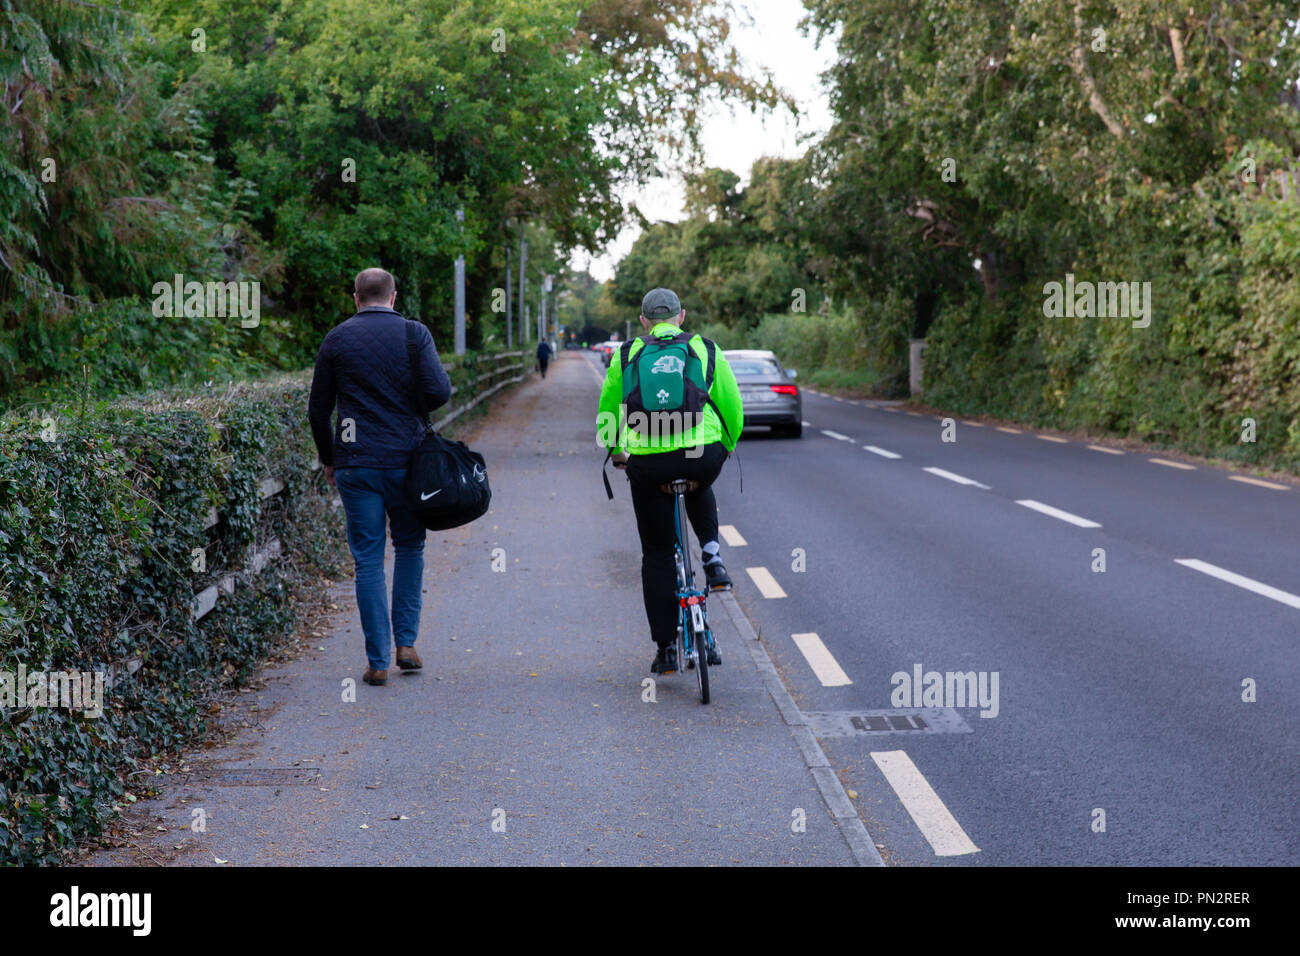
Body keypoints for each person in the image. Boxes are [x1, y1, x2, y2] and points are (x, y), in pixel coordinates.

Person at [307, 267, 451, 686]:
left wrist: (329, 458)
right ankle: (406, 643)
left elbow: (318, 410)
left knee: (367, 559)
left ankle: (378, 661)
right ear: (393, 296)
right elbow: (439, 393)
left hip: (357, 464)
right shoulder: (414, 334)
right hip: (408, 463)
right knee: (409, 547)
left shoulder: (336, 339)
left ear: (355, 298)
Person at [596, 288, 744, 675]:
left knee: (657, 553)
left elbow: (609, 410)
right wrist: (724, 447)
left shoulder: (626, 354)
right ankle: (712, 556)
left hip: (649, 461)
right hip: (703, 453)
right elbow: (732, 405)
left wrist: (615, 452)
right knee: (699, 477)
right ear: (681, 317)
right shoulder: (706, 347)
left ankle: (665, 650)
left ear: (644, 321)